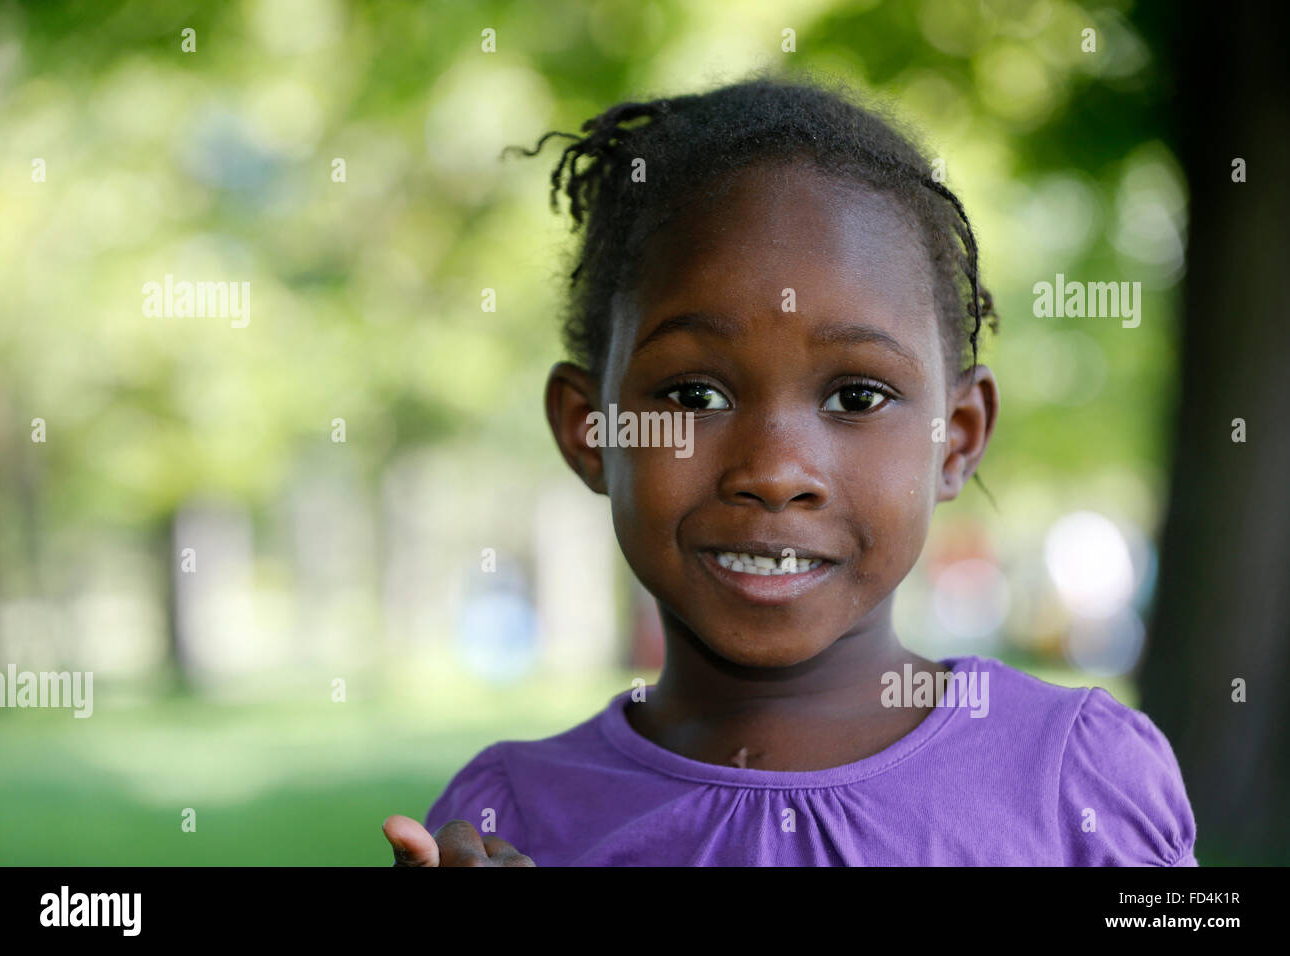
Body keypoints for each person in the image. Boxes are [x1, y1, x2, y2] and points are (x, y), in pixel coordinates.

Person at [382, 75, 1197, 866]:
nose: (774, 471)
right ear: (590, 430)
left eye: (857, 395)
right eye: (694, 393)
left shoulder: (1075, 780)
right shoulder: (507, 816)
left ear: (955, 438)